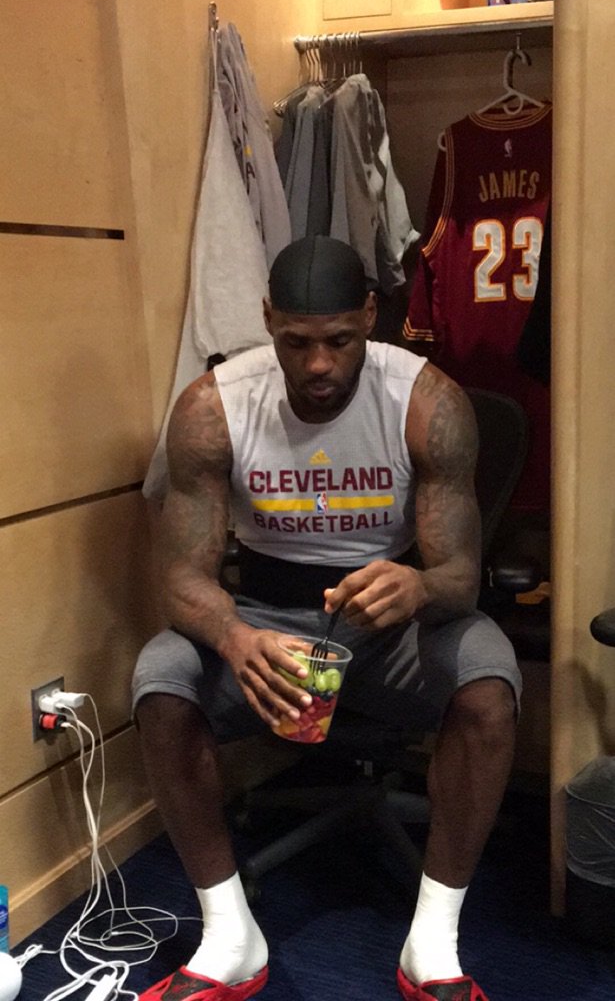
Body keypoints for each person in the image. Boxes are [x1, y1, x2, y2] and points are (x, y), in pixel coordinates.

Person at [133, 235, 520, 1001]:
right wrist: (233, 636)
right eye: (296, 342)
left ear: (370, 318)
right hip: (264, 621)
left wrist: (418, 586)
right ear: (268, 319)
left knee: (488, 683)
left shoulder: (427, 401)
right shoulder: (213, 407)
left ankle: (431, 946)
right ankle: (229, 935)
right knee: (159, 679)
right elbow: (180, 578)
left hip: (390, 626)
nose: (317, 365)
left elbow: (459, 577)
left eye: (340, 341)